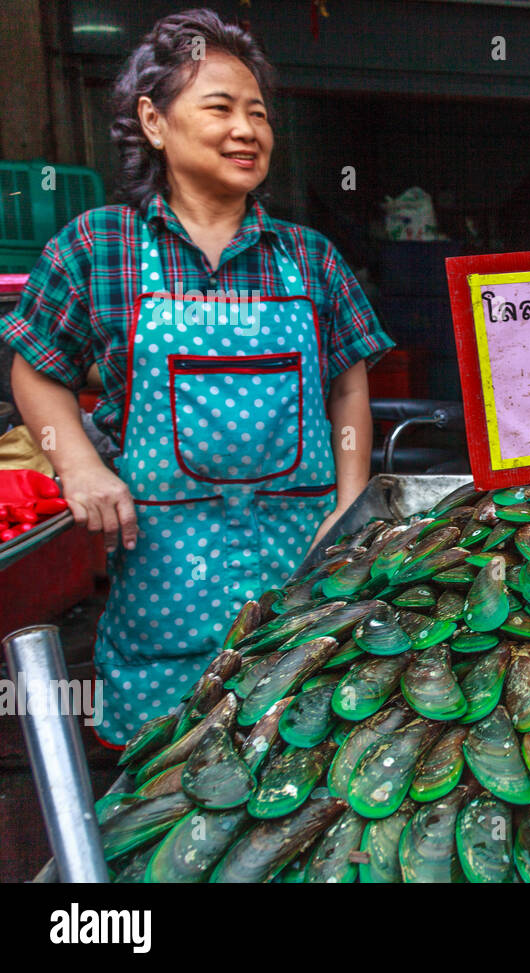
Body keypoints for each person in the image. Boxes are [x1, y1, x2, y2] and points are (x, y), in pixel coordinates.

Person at [2, 9, 394, 745]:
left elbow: (348, 386)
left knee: (298, 790)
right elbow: (35, 369)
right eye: (220, 107)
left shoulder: (308, 257)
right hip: (166, 607)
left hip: (301, 596)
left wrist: (351, 507)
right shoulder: (99, 246)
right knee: (164, 809)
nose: (248, 129)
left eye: (259, 114)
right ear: (154, 121)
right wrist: (78, 464)